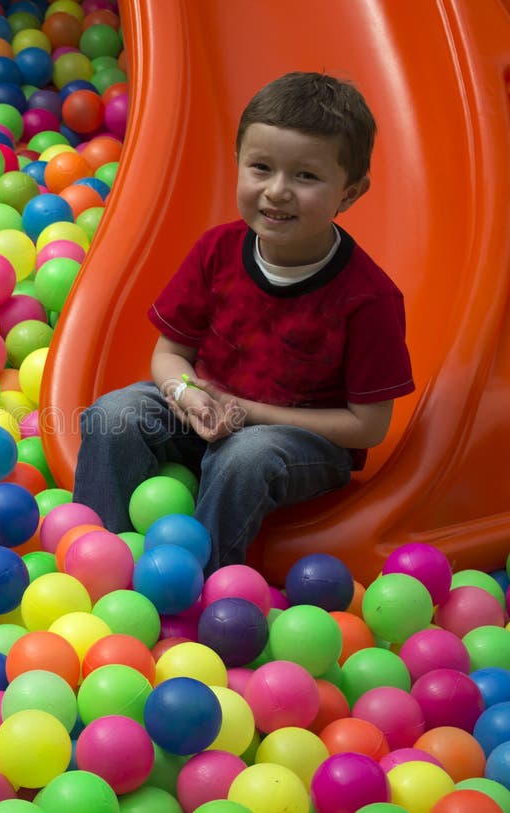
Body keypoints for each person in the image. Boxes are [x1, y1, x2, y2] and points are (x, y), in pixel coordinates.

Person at [72, 71, 415, 574]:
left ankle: (205, 586)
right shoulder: (217, 250)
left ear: (351, 192)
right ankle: (97, 559)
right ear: (238, 165)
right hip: (206, 411)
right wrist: (188, 395)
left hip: (298, 444)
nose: (277, 191)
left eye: (306, 176)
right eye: (261, 167)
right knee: (113, 413)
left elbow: (367, 427)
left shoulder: (369, 298)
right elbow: (170, 356)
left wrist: (248, 412)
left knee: (244, 458)